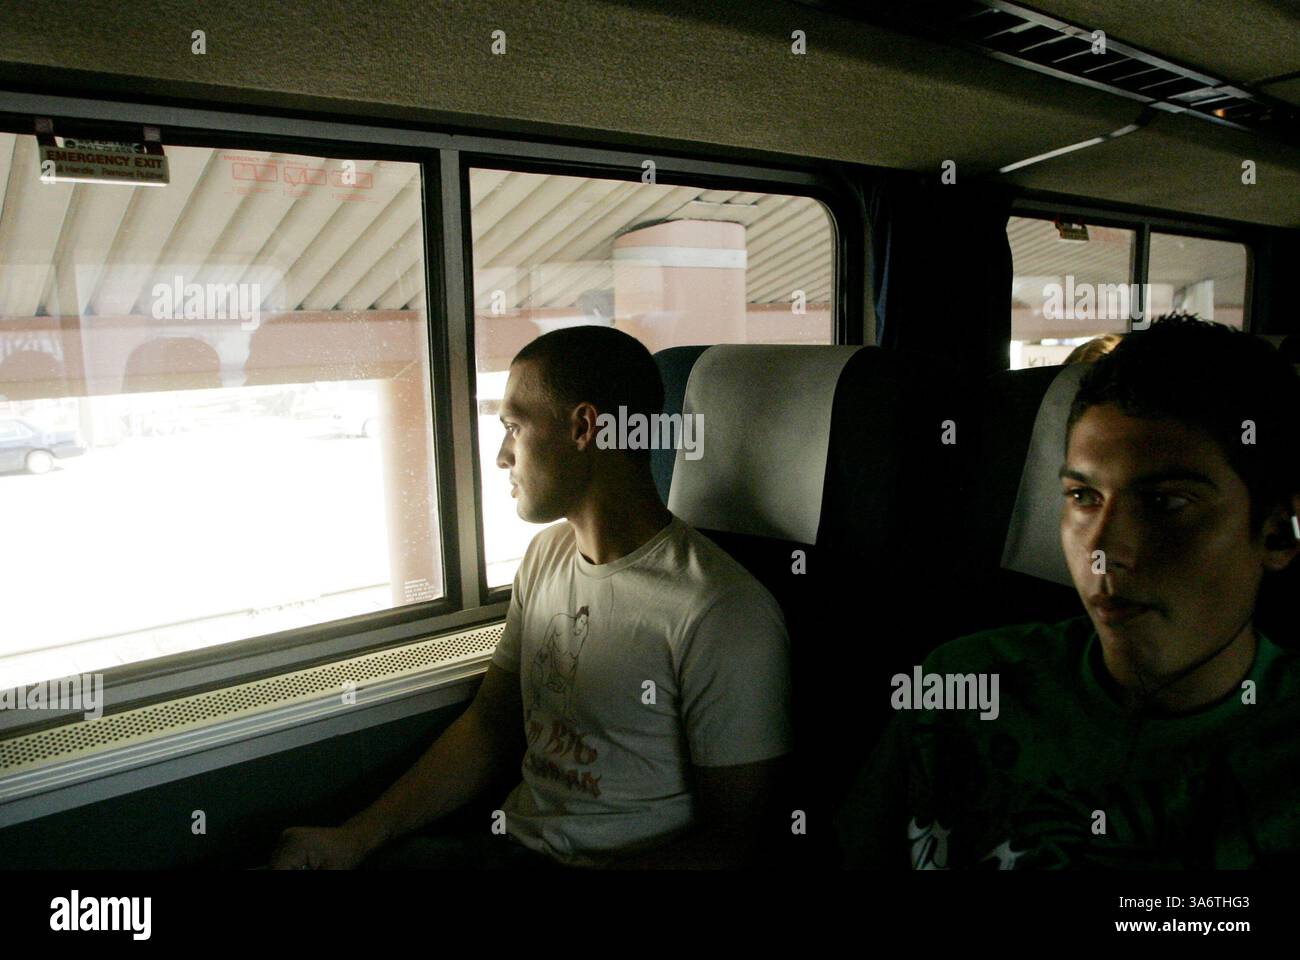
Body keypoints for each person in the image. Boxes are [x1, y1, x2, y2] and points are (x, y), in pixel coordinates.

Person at [272, 325, 792, 869]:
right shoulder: (546, 555)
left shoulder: (720, 611)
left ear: (584, 427)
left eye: (513, 427)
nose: (502, 456)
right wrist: (356, 838)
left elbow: (739, 842)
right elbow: (491, 725)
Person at [838, 316, 1300, 868]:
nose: (1103, 549)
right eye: (1083, 497)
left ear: (1277, 532)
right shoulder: (962, 683)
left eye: (1165, 504)